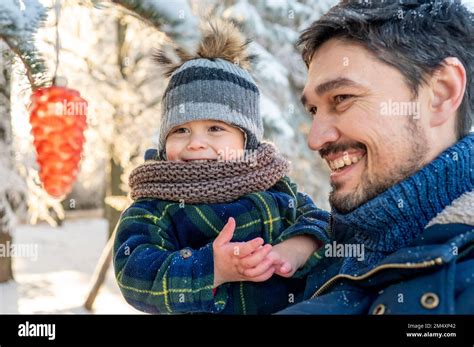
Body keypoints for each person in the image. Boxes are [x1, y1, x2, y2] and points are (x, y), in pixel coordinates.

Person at [113, 19, 330, 314]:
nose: (196, 143)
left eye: (215, 128)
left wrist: (296, 248)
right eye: (181, 130)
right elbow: (135, 272)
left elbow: (324, 224)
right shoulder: (155, 202)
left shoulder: (273, 184)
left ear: (247, 140)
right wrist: (211, 268)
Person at [274, 0, 474, 314]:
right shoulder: (304, 252)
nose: (315, 139)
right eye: (313, 110)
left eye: (342, 98)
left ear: (441, 93)